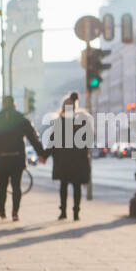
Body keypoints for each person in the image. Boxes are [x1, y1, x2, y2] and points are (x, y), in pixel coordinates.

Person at [0, 95, 43, 221]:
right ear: (14, 104)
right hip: (17, 158)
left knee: (2, 186)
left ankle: (2, 210)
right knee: (16, 186)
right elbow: (32, 137)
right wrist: (41, 153)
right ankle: (15, 212)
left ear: (3, 105)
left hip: (1, 159)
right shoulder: (20, 118)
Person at [41, 91, 92, 220]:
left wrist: (44, 156)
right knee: (77, 186)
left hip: (63, 160)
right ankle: (76, 212)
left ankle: (63, 212)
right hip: (78, 160)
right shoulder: (81, 121)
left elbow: (52, 142)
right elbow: (88, 141)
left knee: (63, 185)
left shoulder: (60, 122)